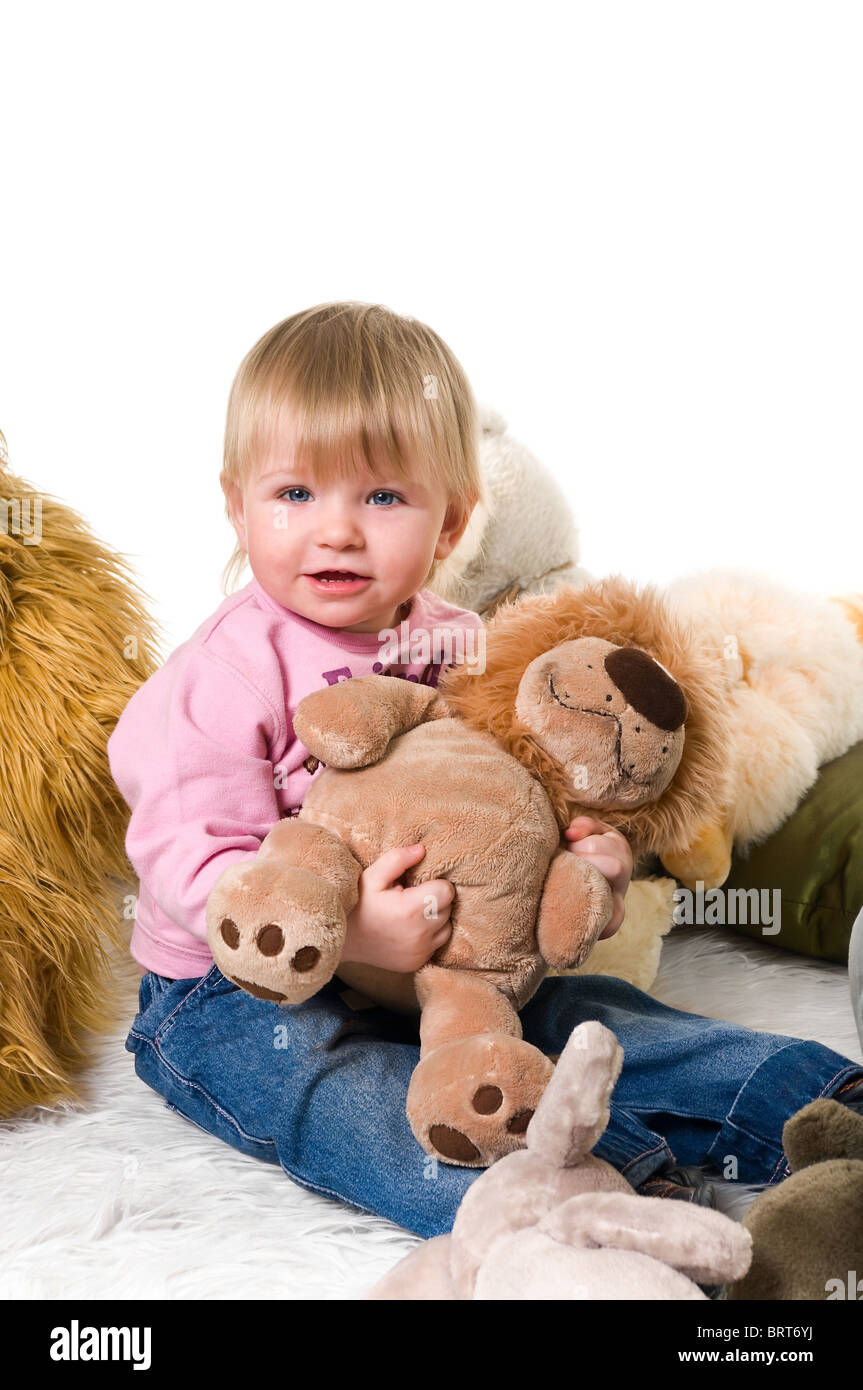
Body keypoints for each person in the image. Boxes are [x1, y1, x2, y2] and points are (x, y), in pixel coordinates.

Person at [110, 301, 863, 1242]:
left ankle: (806, 1101)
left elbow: (526, 789)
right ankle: (588, 1192)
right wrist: (348, 934)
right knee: (335, 1092)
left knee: (592, 1020)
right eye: (295, 494)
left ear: (452, 520)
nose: (337, 530)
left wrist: (588, 859)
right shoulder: (222, 675)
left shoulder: (460, 646)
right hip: (238, 993)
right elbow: (192, 861)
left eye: (382, 498)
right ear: (237, 504)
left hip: (450, 957)